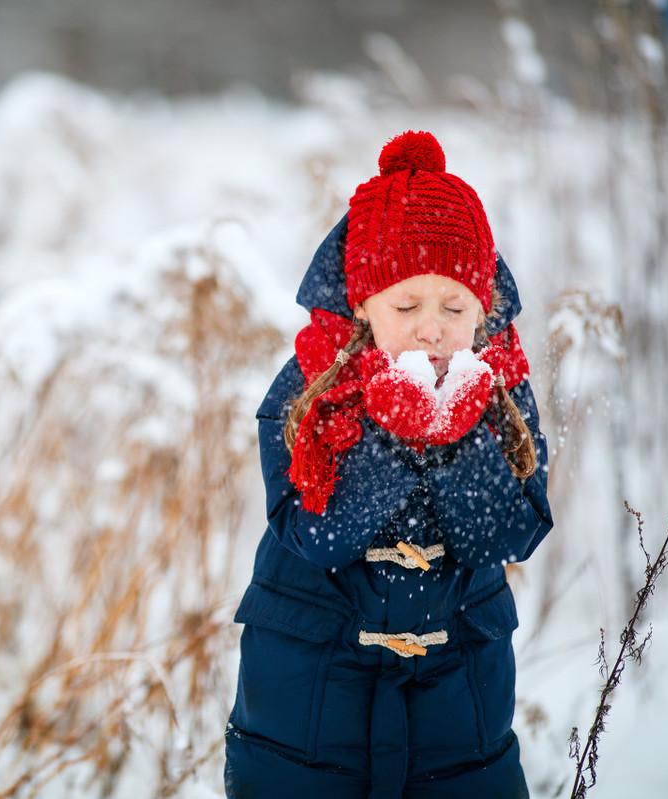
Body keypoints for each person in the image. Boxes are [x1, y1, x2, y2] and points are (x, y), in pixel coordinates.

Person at [223, 130, 554, 799]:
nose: (431, 326)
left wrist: (454, 433)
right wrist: (394, 436)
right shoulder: (309, 389)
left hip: (457, 704)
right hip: (310, 705)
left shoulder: (499, 387)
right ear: (364, 302)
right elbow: (314, 533)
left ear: (481, 309)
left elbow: (513, 529)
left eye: (454, 307)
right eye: (406, 305)